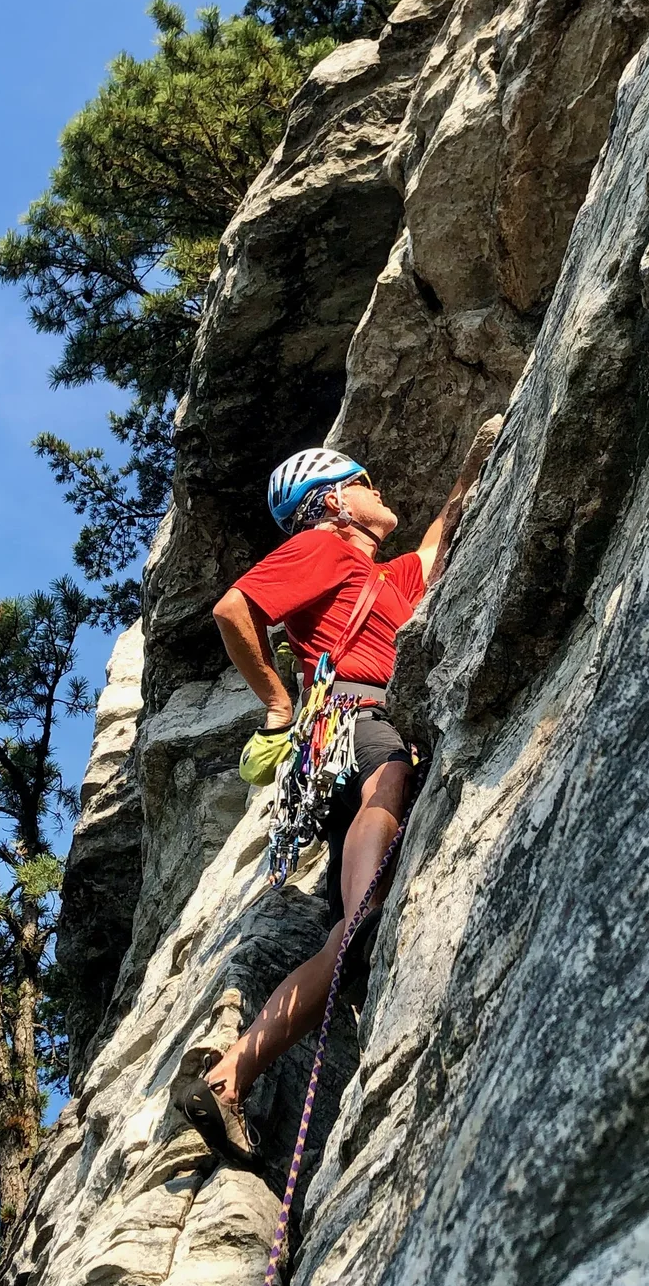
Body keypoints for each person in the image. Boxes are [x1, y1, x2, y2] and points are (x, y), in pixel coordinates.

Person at [182, 420, 501, 1166]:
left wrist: (467, 473)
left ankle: (230, 1076)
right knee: (388, 781)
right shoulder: (320, 547)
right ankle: (365, 913)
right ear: (331, 503)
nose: (378, 489)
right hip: (354, 723)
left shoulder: (380, 579)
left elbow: (432, 549)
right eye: (362, 482)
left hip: (347, 744)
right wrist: (277, 703)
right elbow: (235, 610)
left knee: (335, 949)